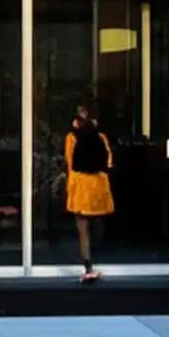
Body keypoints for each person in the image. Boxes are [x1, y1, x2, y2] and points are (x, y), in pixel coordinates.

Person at [66, 102, 114, 283]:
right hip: (98, 185)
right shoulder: (100, 136)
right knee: (97, 224)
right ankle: (96, 260)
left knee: (83, 227)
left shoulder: (72, 137)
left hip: (81, 185)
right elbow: (108, 161)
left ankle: (88, 265)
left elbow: (70, 161)